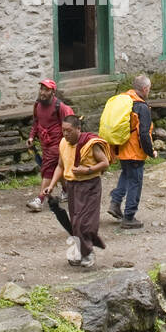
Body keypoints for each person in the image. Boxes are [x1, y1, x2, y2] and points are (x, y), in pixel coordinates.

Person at [43, 114, 109, 267]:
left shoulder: (90, 144)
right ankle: (82, 251)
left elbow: (105, 163)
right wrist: (51, 185)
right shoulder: (63, 143)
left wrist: (87, 170)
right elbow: (60, 166)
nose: (66, 134)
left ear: (78, 129)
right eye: (63, 130)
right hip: (72, 186)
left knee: (84, 223)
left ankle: (88, 253)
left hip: (90, 185)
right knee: (75, 223)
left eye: (69, 131)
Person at [108, 74, 154, 229]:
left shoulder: (124, 100)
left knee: (126, 175)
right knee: (135, 182)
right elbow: (144, 134)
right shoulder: (142, 107)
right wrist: (150, 151)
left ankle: (115, 203)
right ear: (145, 89)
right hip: (135, 151)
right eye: (149, 89)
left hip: (121, 147)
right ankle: (129, 217)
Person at [26, 78, 73, 212]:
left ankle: (39, 200)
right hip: (45, 144)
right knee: (59, 168)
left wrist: (68, 144)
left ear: (53, 92)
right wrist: (31, 136)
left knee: (48, 170)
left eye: (46, 90)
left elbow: (70, 125)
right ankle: (67, 191)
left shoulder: (60, 107)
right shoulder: (37, 105)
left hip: (57, 145)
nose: (42, 92)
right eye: (41, 89)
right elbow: (36, 122)